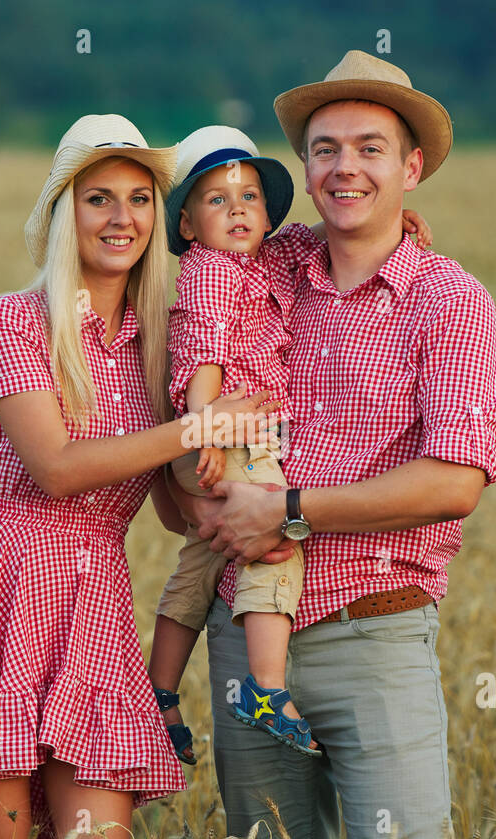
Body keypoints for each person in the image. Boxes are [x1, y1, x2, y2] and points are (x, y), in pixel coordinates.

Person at [0, 114, 278, 839]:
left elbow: (170, 508)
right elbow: (55, 467)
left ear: (163, 215)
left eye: (140, 198)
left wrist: (231, 458)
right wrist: (195, 428)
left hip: (96, 604)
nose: (122, 218)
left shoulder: (161, 344)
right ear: (63, 215)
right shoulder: (15, 321)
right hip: (0, 591)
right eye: (98, 198)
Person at [168, 51, 496, 839]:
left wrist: (288, 508)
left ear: (412, 166)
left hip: (376, 631)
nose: (344, 167)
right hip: (244, 633)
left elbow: (457, 479)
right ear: (304, 165)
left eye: (369, 148)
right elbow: (173, 263)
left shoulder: (449, 301)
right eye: (325, 148)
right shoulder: (271, 262)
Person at [147, 125, 433, 767]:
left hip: (225, 432)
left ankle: (160, 690)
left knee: (201, 562)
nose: (239, 210)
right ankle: (268, 688)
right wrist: (206, 429)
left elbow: (328, 231)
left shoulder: (261, 255)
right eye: (217, 200)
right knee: (273, 547)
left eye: (250, 197)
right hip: (230, 431)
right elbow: (204, 354)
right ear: (188, 227)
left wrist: (391, 219)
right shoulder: (211, 274)